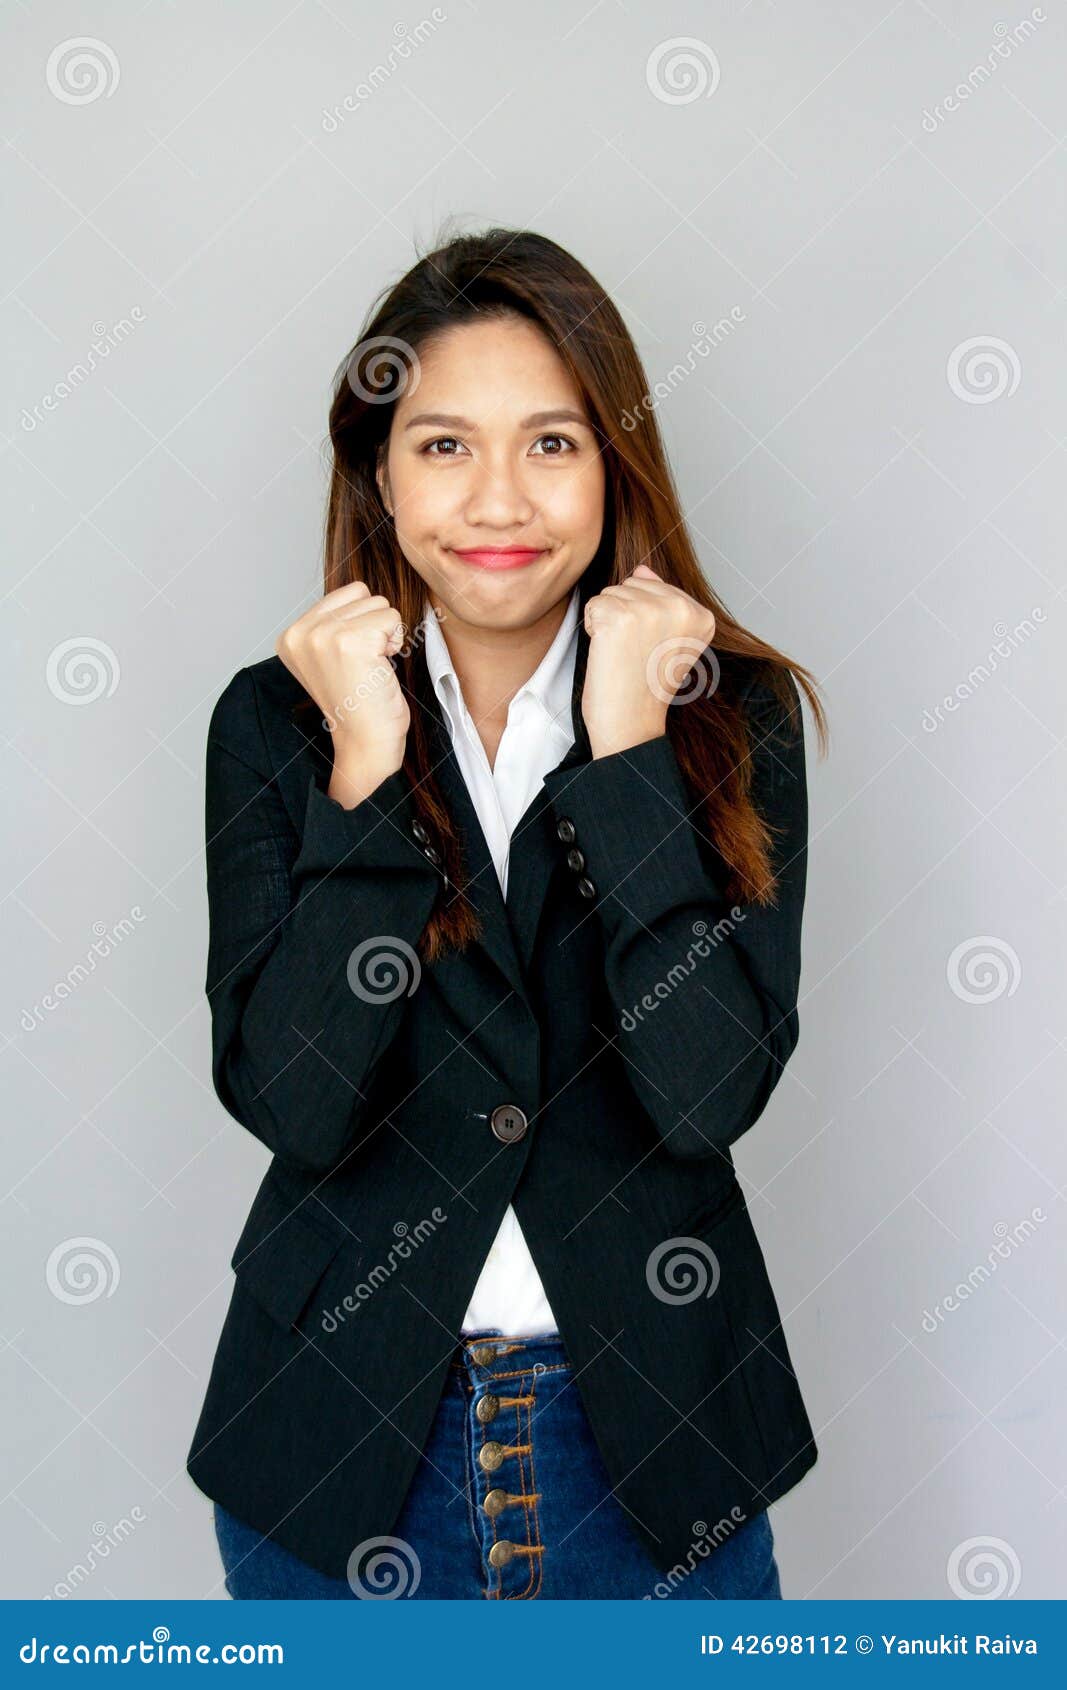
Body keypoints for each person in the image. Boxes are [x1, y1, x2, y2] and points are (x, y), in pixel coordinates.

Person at [186, 225, 828, 1600]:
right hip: (338, 1442)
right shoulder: (273, 725)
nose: (498, 498)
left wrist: (631, 756)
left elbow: (708, 1088)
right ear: (379, 470)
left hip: (654, 1440)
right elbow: (294, 1100)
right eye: (442, 445)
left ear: (615, 466)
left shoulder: (733, 719)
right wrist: (363, 775)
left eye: (551, 443)